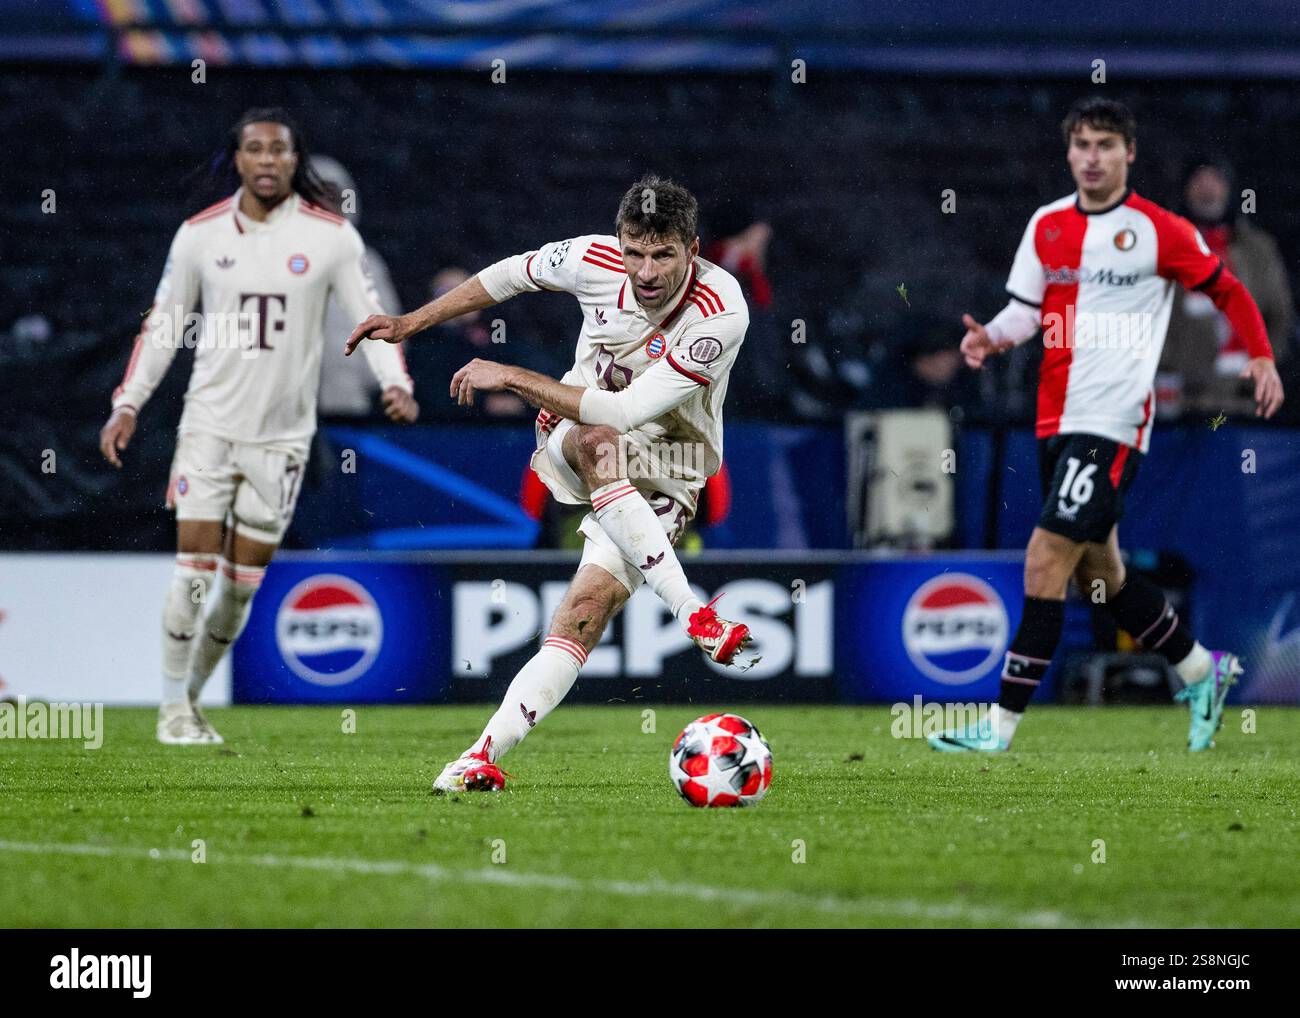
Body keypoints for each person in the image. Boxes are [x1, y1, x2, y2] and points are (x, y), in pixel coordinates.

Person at [348, 174, 753, 792]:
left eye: (663, 254)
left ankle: (478, 756)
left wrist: (508, 374)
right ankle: (697, 615)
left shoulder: (720, 313)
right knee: (595, 438)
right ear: (617, 241)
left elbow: (624, 411)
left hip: (674, 463)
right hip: (578, 431)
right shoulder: (592, 258)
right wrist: (410, 323)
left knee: (583, 612)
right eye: (634, 250)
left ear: (692, 252)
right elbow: (509, 275)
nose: (645, 270)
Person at [933, 98, 1283, 754]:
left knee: (1044, 560)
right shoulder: (1046, 225)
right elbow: (1024, 310)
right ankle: (1203, 671)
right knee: (1102, 577)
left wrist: (1260, 355)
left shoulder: (1159, 230)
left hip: (1114, 420)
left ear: (1129, 154)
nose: (1092, 157)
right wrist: (992, 339)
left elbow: (1229, 290)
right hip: (1054, 419)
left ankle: (998, 725)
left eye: (1106, 145)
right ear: (1069, 153)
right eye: (1082, 145)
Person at [98, 108, 418, 745]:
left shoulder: (331, 239)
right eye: (255, 149)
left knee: (239, 591)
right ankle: (171, 711)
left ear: (294, 161)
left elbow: (371, 318)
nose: (267, 160)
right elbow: (163, 324)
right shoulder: (199, 235)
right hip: (209, 427)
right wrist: (128, 402)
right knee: (193, 569)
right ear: (237, 159)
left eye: (279, 150)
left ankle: (187, 701)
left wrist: (396, 381)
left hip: (283, 440)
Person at [1161, 157, 1294, 413]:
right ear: (1185, 191)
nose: (1207, 189)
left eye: (1215, 180)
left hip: (1243, 401)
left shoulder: (1258, 249)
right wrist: (1165, 368)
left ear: (1229, 190)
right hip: (1181, 403)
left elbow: (1280, 315)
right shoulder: (1164, 248)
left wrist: (1265, 364)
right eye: (1199, 181)